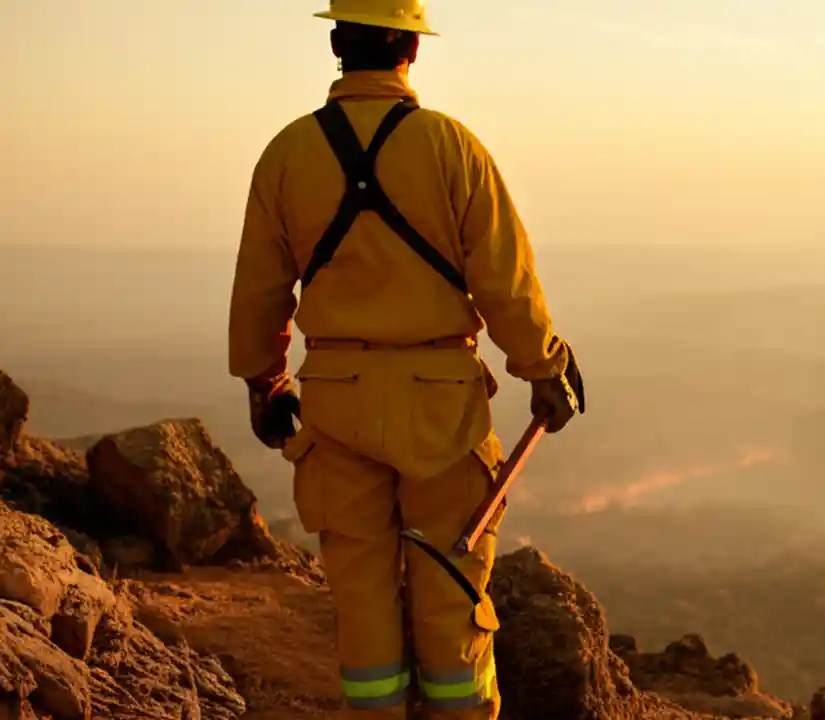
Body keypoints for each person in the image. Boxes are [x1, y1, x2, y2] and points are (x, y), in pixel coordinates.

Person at [227, 1, 584, 717]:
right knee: (452, 603)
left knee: (362, 610)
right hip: (442, 410)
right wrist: (546, 368)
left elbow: (260, 291)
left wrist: (265, 383)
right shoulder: (453, 149)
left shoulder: (287, 155)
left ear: (336, 41)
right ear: (411, 51)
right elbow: (504, 281)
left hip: (333, 407)